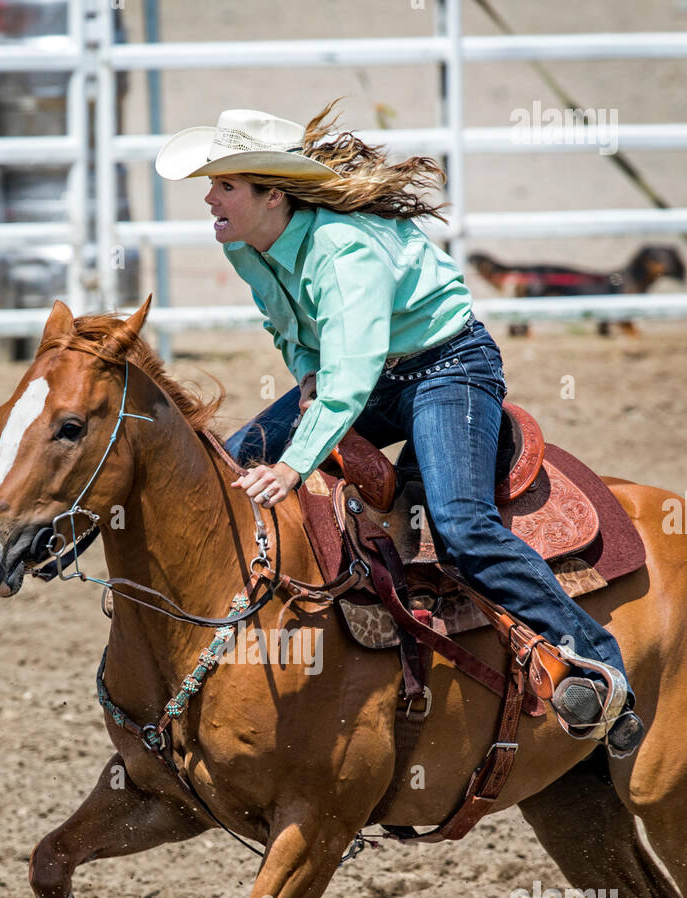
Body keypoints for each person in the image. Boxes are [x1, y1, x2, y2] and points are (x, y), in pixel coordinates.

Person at [155, 105, 643, 755]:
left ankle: (598, 667)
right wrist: (305, 374)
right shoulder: (247, 245)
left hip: (448, 368)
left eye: (225, 186)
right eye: (211, 185)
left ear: (272, 195)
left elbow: (351, 378)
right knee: (227, 463)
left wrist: (296, 464)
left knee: (460, 523)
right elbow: (290, 330)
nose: (210, 198)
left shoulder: (342, 249)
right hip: (365, 370)